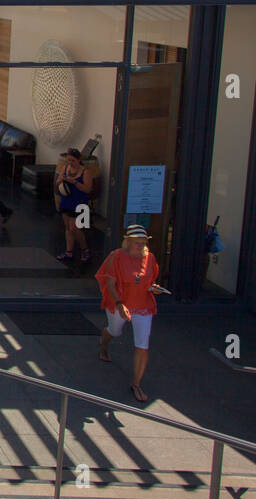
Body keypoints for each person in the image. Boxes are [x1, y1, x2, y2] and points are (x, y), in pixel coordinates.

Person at [96, 224, 171, 403]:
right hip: (121, 302)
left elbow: (149, 281)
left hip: (143, 304)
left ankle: (136, 383)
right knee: (114, 331)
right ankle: (104, 345)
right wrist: (120, 304)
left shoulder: (150, 258)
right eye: (137, 242)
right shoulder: (116, 256)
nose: (140, 246)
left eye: (143, 242)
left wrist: (155, 288)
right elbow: (111, 284)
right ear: (128, 241)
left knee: (142, 344)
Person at [54, 149, 94, 264]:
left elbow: (87, 189)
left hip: (79, 202)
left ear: (79, 159)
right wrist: (61, 180)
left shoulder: (85, 172)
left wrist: (74, 182)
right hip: (67, 201)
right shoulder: (66, 168)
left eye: (73, 160)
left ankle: (85, 249)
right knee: (68, 227)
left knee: (75, 228)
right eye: (69, 160)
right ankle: (69, 251)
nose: (70, 163)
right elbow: (57, 182)